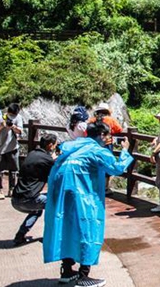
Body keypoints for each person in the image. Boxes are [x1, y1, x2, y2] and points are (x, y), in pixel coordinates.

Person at [43, 120, 133, 286]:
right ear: (101, 135)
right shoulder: (97, 150)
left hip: (61, 193)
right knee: (89, 228)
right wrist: (125, 150)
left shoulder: (71, 147)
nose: (109, 139)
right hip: (83, 195)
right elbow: (117, 168)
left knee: (66, 227)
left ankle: (67, 271)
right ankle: (84, 276)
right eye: (108, 136)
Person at [12, 133, 57, 246]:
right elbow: (57, 173)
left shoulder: (31, 153)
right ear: (50, 145)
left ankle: (20, 236)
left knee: (37, 210)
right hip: (29, 200)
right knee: (56, 203)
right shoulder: (48, 160)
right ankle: (50, 236)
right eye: (55, 145)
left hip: (15, 199)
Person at [88, 103, 123, 195]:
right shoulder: (110, 120)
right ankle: (106, 188)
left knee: (95, 165)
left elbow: (87, 130)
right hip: (107, 145)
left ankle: (94, 186)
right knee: (108, 165)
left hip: (94, 145)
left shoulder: (92, 120)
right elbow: (119, 129)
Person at [0, 103, 23, 200]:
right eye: (12, 114)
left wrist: (13, 126)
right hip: (0, 148)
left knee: (14, 170)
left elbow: (20, 131)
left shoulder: (18, 118)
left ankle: (12, 189)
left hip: (13, 147)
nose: (13, 116)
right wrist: (1, 127)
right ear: (8, 112)